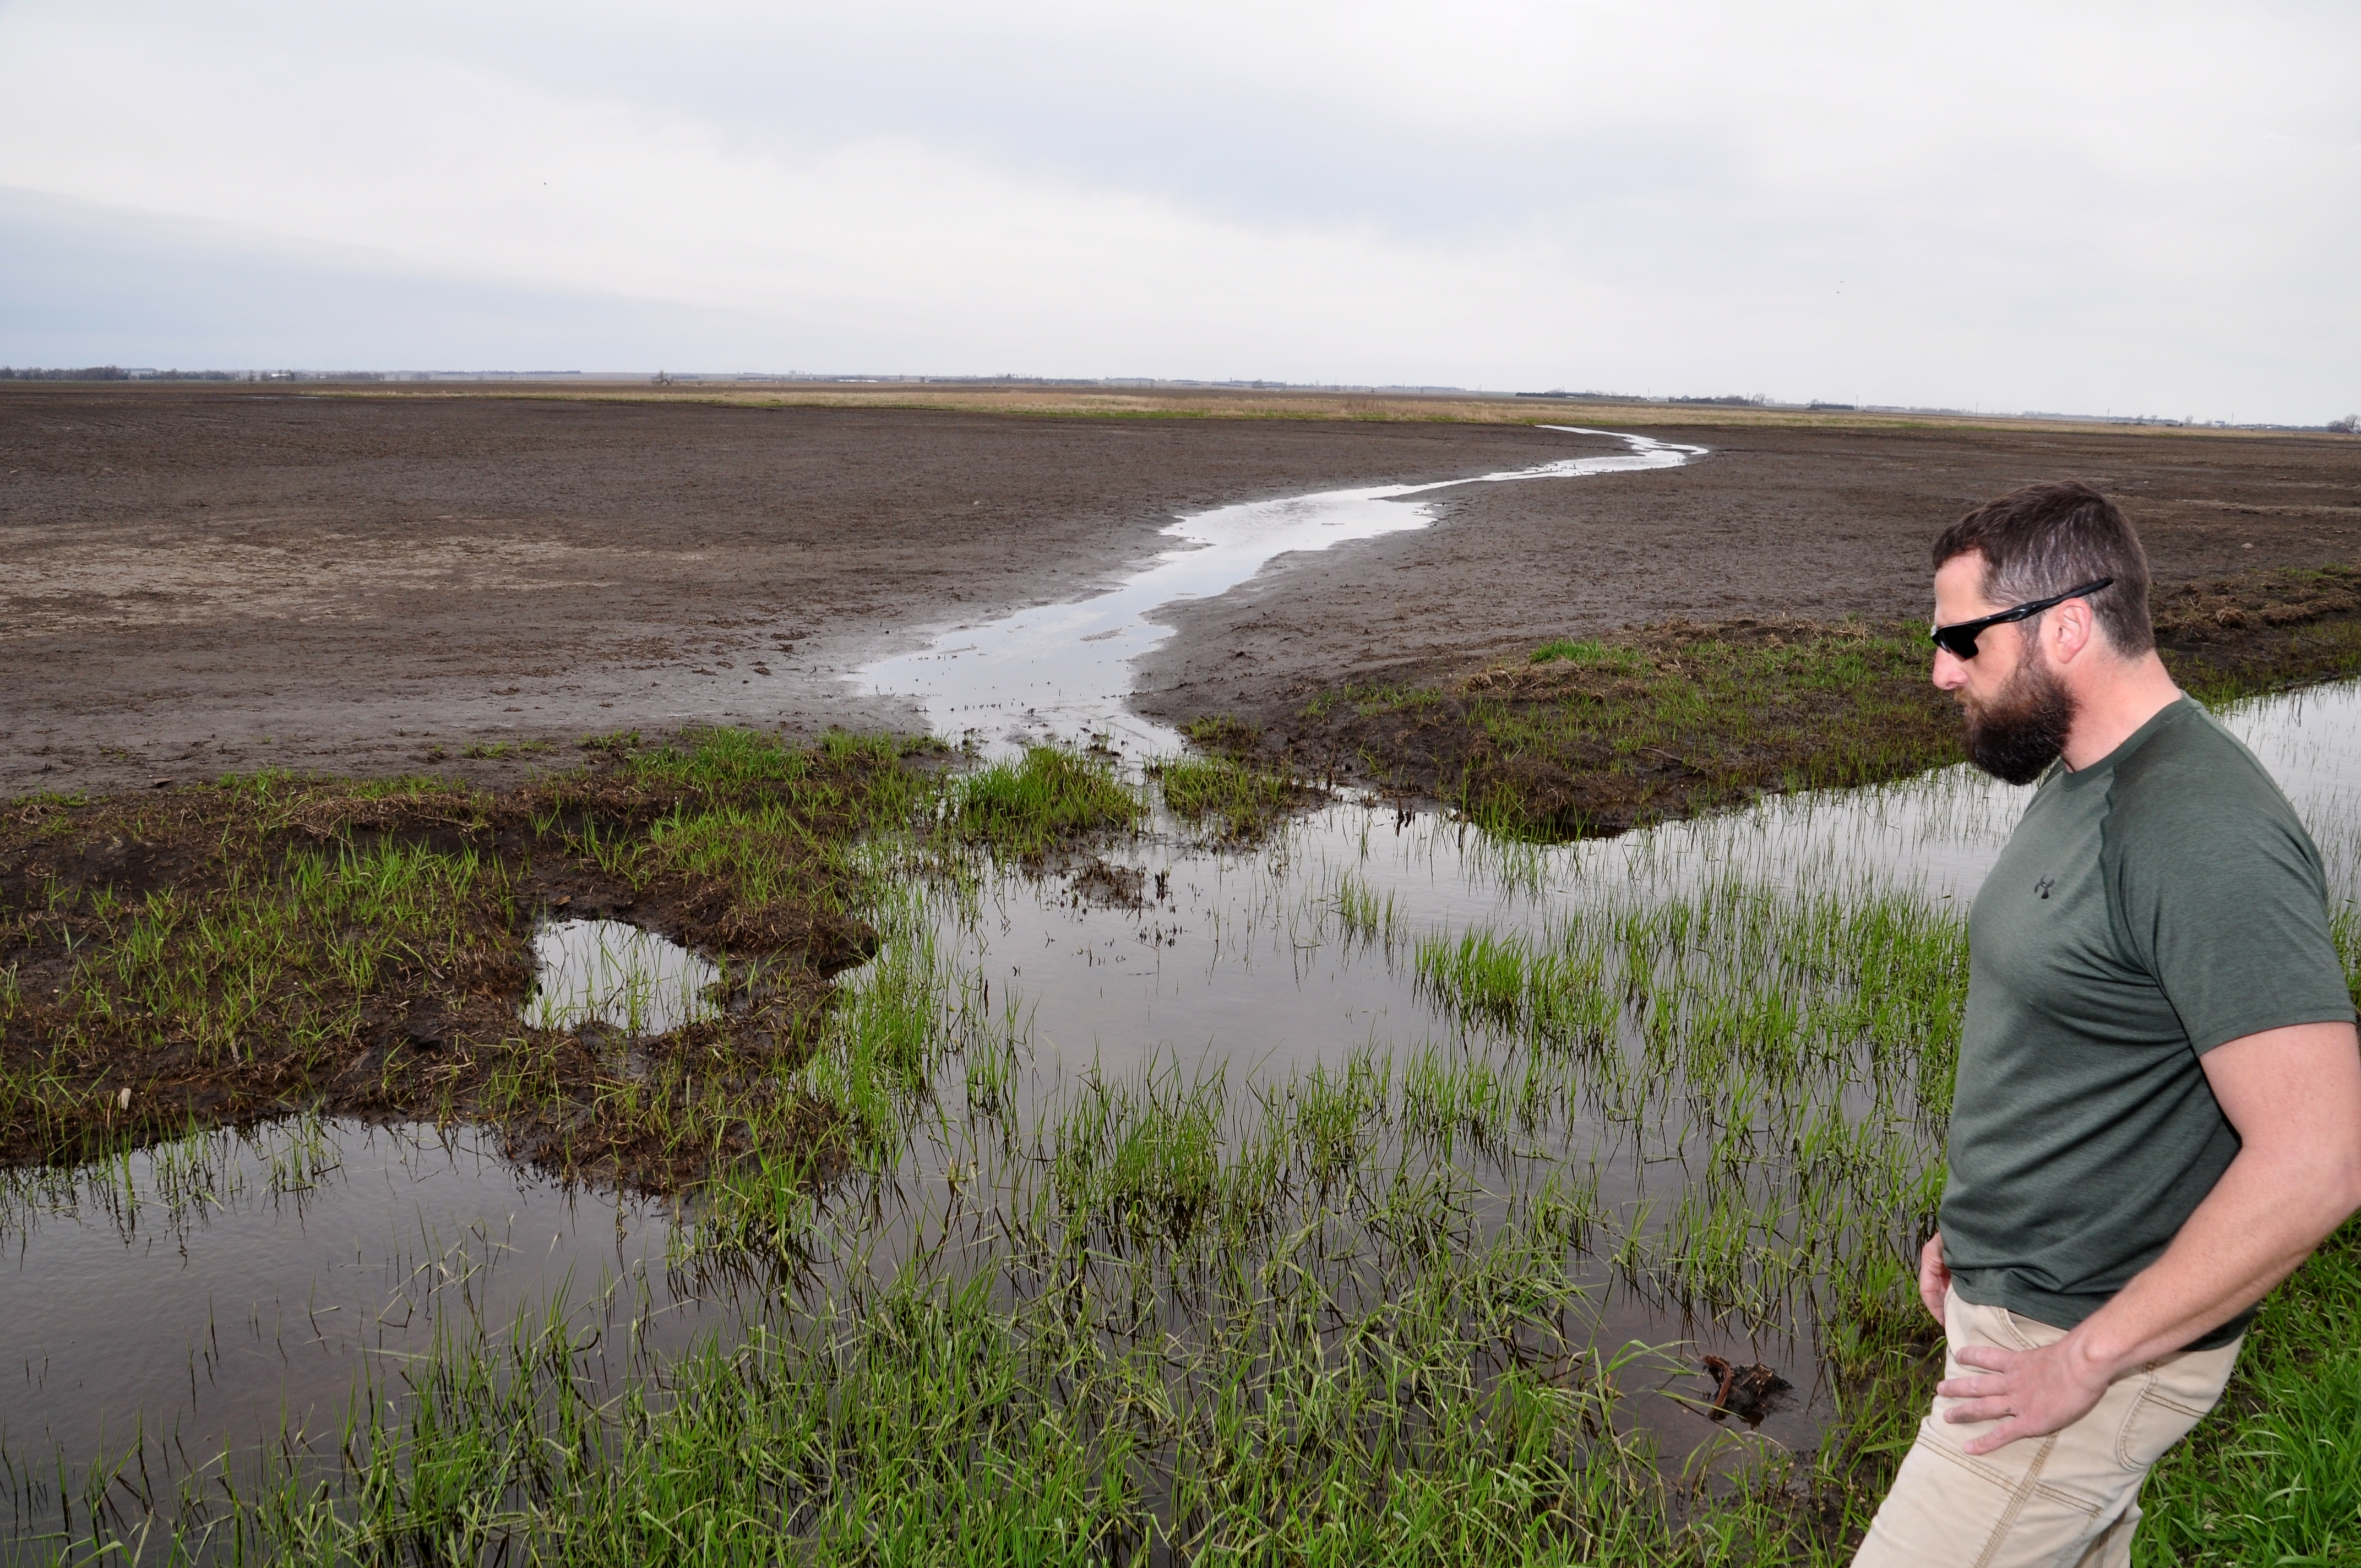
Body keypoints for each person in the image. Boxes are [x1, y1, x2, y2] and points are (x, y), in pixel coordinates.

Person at [1853, 481, 2361, 1566]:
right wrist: (1973, 1239)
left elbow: (2319, 1159)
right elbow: (2074, 1042)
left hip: (2077, 1352)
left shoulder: (2200, 828)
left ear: (2066, 626)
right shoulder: (2083, 771)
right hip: (2015, 1310)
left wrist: (2085, 1357)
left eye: (1960, 638)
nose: (1938, 668)